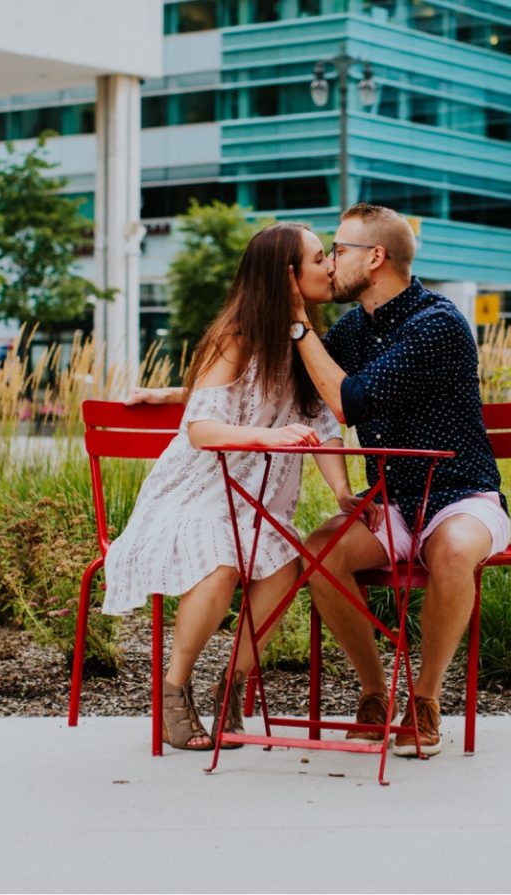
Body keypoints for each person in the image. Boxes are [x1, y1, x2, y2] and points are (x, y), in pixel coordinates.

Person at [108, 222, 351, 751]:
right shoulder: (235, 335)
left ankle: (230, 685)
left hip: (255, 503)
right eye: (318, 258)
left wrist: (341, 492)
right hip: (196, 494)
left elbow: (323, 425)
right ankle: (174, 691)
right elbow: (202, 429)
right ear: (287, 276)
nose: (331, 266)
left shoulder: (304, 342)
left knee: (288, 565)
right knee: (222, 559)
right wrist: (269, 436)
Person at [288, 202, 510, 757]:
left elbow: (349, 401)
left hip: (460, 497)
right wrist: (184, 395)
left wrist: (297, 322)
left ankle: (425, 699)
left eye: (339, 250)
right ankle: (373, 693)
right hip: (390, 502)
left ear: (376, 258)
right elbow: (286, 384)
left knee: (453, 551)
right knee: (320, 551)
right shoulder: (354, 328)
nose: (330, 262)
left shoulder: (437, 324)